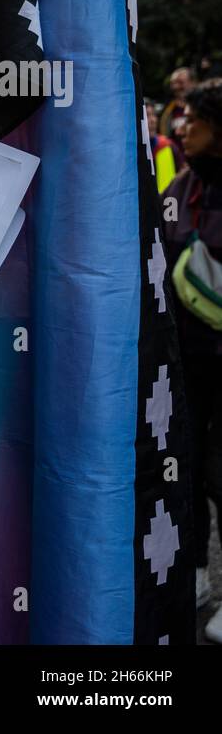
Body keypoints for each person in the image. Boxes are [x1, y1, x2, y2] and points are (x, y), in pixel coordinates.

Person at [161, 79, 222, 644]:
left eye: (194, 120)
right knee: (190, 461)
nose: (182, 129)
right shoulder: (181, 185)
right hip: (189, 361)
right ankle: (198, 574)